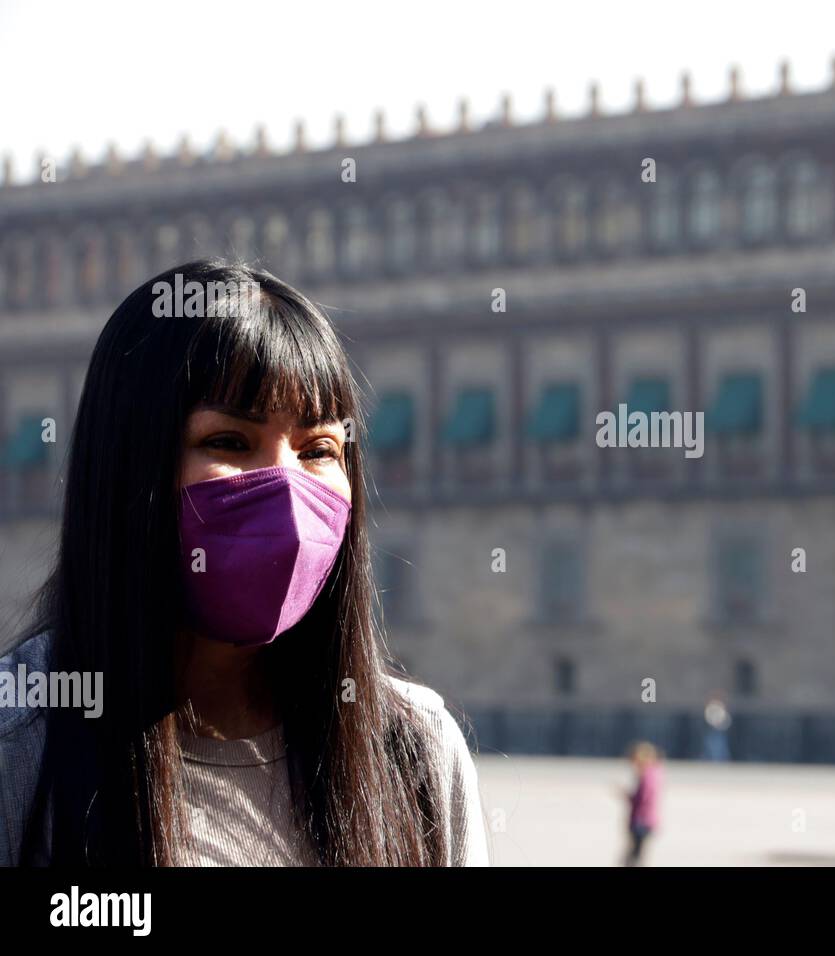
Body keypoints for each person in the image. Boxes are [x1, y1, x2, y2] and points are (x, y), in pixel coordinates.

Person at [0, 260, 490, 866]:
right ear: (127, 466)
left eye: (319, 449)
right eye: (228, 442)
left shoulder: (415, 754)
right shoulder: (19, 750)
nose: (285, 488)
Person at [622, 742, 663, 866]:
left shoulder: (648, 775)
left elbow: (643, 799)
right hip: (646, 820)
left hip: (641, 820)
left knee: (634, 857)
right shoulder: (655, 772)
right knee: (635, 856)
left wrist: (628, 796)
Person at [702, 692, 732, 761]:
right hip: (711, 732)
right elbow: (708, 718)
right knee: (710, 747)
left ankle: (722, 760)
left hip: (720, 733)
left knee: (720, 747)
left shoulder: (721, 707)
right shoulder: (711, 707)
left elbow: (726, 721)